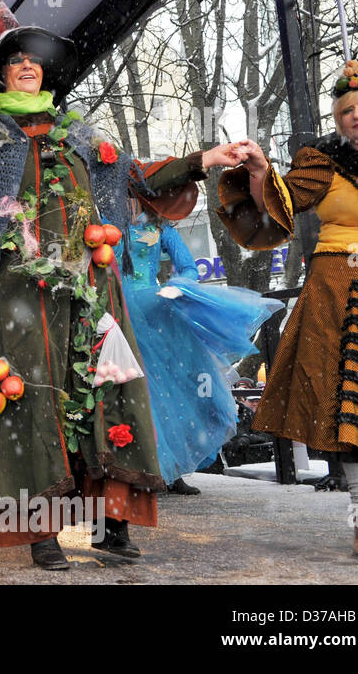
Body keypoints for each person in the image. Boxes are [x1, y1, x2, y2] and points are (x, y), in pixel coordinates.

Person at [0, 0, 249, 569]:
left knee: (110, 392)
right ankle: (39, 529)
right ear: (1, 73)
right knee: (28, 402)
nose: (28, 65)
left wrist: (203, 159)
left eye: (35, 60)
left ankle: (113, 522)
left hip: (93, 288)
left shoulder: (82, 136)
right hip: (19, 291)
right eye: (17, 59)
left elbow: (140, 177)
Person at [217, 60, 358, 559]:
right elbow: (280, 205)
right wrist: (260, 171)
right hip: (347, 291)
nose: (356, 115)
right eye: (346, 109)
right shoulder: (325, 162)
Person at [113, 199, 282, 495]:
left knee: (177, 391)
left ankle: (173, 470)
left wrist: (179, 286)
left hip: (158, 314)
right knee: (135, 391)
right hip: (118, 313)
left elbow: (190, 267)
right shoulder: (104, 224)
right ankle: (139, 471)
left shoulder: (159, 225)